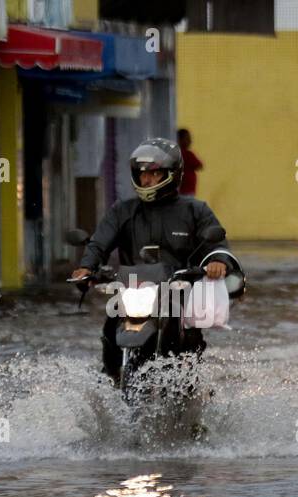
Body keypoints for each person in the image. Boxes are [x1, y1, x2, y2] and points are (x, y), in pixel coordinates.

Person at [70, 137, 233, 383]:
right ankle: (112, 381)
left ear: (171, 174)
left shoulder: (195, 210)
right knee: (109, 328)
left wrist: (218, 261)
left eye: (154, 174)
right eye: (141, 174)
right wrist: (86, 268)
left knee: (188, 338)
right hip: (132, 289)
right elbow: (99, 242)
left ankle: (189, 391)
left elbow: (217, 244)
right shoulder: (122, 211)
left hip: (177, 293)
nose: (146, 179)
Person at [177, 128, 203, 197]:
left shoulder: (176, 153)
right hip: (188, 190)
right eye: (187, 138)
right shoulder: (187, 154)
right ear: (179, 140)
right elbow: (199, 165)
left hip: (179, 190)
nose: (190, 141)